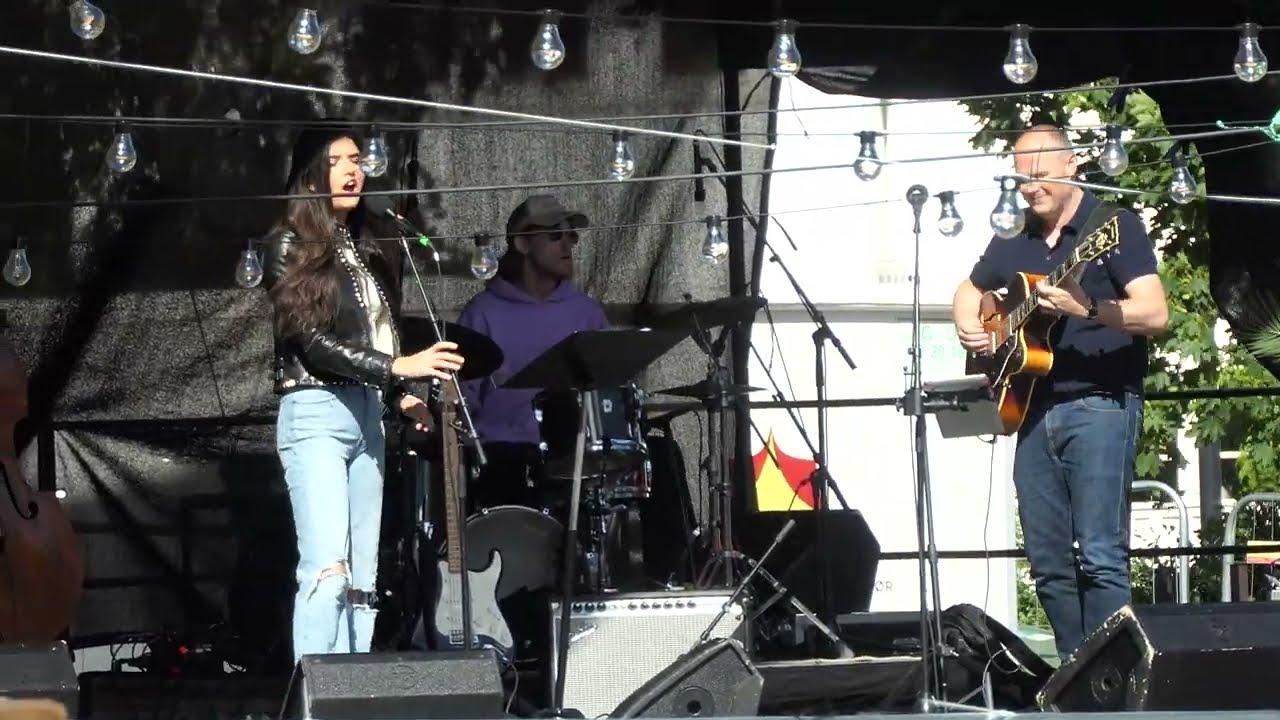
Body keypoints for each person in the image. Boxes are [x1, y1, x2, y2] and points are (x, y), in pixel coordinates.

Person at [951, 125, 1169, 659]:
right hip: (1031, 410)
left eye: (1039, 172)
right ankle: (1076, 674)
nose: (1029, 185)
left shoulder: (1111, 227)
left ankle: (1112, 677)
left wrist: (1088, 308)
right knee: (1046, 560)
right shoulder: (1013, 236)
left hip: (1101, 403)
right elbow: (970, 289)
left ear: (1072, 165)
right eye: (1021, 175)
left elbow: (1157, 313)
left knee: (1100, 554)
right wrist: (970, 326)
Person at [262, 124, 466, 663]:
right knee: (329, 571)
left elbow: (374, 334)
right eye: (339, 161)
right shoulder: (287, 242)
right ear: (311, 174)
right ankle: (314, 697)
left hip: (366, 413)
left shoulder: (367, 245)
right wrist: (400, 366)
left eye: (358, 160)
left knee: (363, 583)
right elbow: (310, 342)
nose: (355, 170)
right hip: (315, 410)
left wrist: (402, 394)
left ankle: (353, 693)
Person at [456, 194, 609, 514]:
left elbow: (609, 391)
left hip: (575, 456)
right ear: (522, 244)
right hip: (500, 460)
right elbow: (462, 404)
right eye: (555, 236)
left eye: (571, 236)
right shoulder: (482, 312)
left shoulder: (587, 313)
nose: (567, 245)